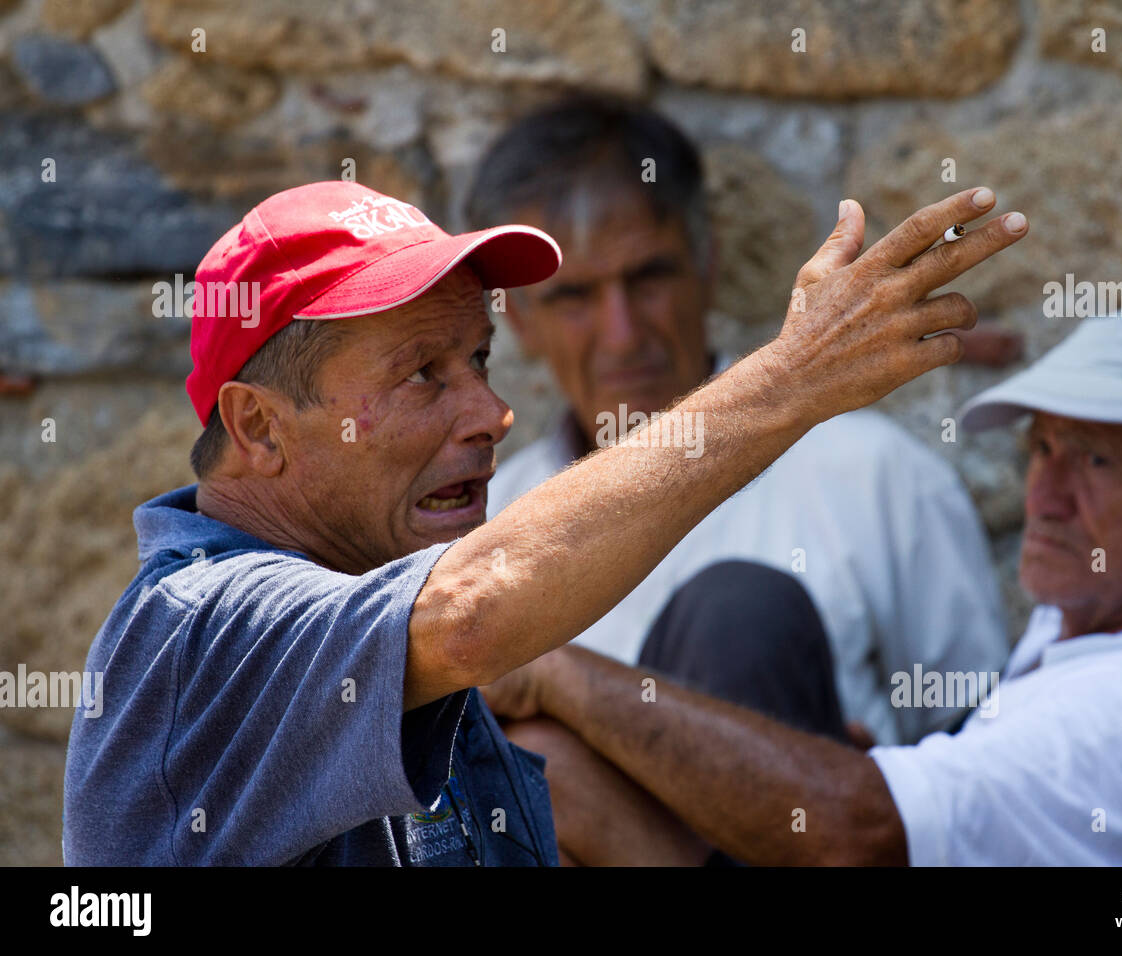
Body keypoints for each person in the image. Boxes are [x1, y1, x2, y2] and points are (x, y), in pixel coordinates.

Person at [62, 178, 1027, 865]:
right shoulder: (198, 627)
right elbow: (476, 609)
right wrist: (794, 378)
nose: (490, 414)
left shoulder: (429, 687)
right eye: (422, 376)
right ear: (258, 427)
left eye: (478, 361)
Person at [484, 302, 1122, 865]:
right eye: (1043, 450)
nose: (1046, 497)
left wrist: (559, 671)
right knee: (737, 623)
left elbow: (856, 837)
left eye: (1097, 461)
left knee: (565, 767)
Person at [467, 96, 1009, 752]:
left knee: (742, 616)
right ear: (519, 319)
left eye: (648, 278)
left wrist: (882, 783)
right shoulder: (488, 524)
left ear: (706, 265)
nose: (622, 333)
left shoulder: (874, 477)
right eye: (574, 297)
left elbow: (981, 763)